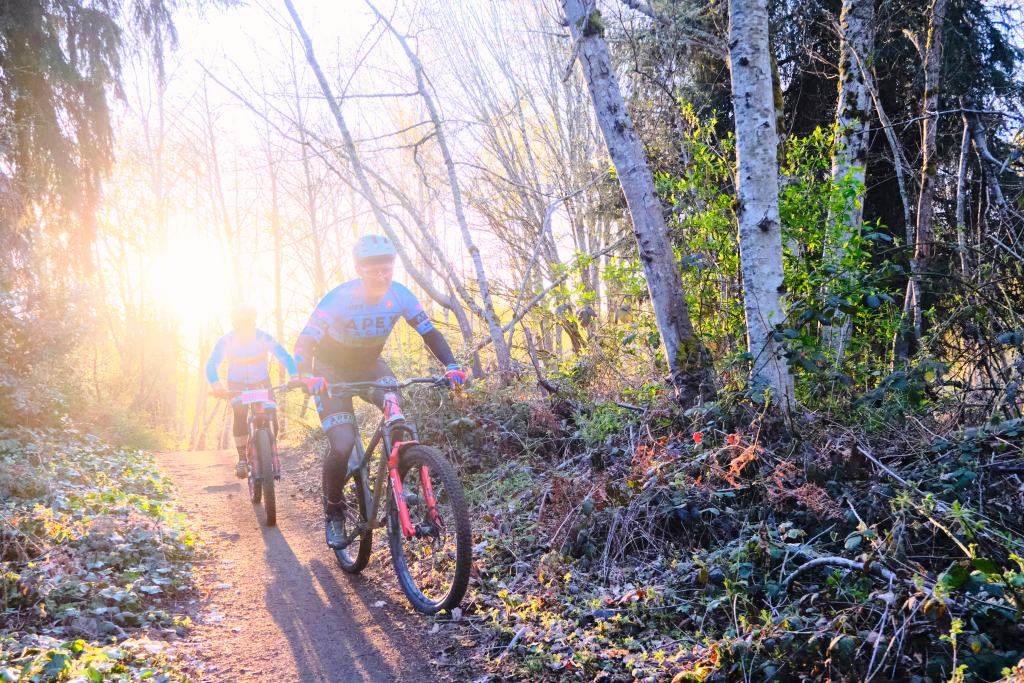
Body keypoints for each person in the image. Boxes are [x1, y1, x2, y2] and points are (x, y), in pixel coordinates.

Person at [294, 234, 467, 548]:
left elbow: (428, 332)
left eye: (387, 266)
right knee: (344, 442)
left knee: (396, 413)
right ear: (359, 268)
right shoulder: (339, 297)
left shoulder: (400, 295)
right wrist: (306, 374)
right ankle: (333, 510)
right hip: (330, 371)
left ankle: (395, 483)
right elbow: (306, 340)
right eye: (373, 267)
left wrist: (451, 364)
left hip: (370, 364)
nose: (381, 273)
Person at [206, 304, 298, 478]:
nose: (244, 327)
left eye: (248, 323)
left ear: (253, 323)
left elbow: (284, 356)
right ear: (234, 324)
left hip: (261, 383)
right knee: (240, 414)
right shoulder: (226, 340)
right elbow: (212, 363)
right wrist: (216, 385)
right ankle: (242, 459)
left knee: (272, 417)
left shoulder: (264, 338)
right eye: (239, 324)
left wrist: (294, 376)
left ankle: (266, 452)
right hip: (236, 385)